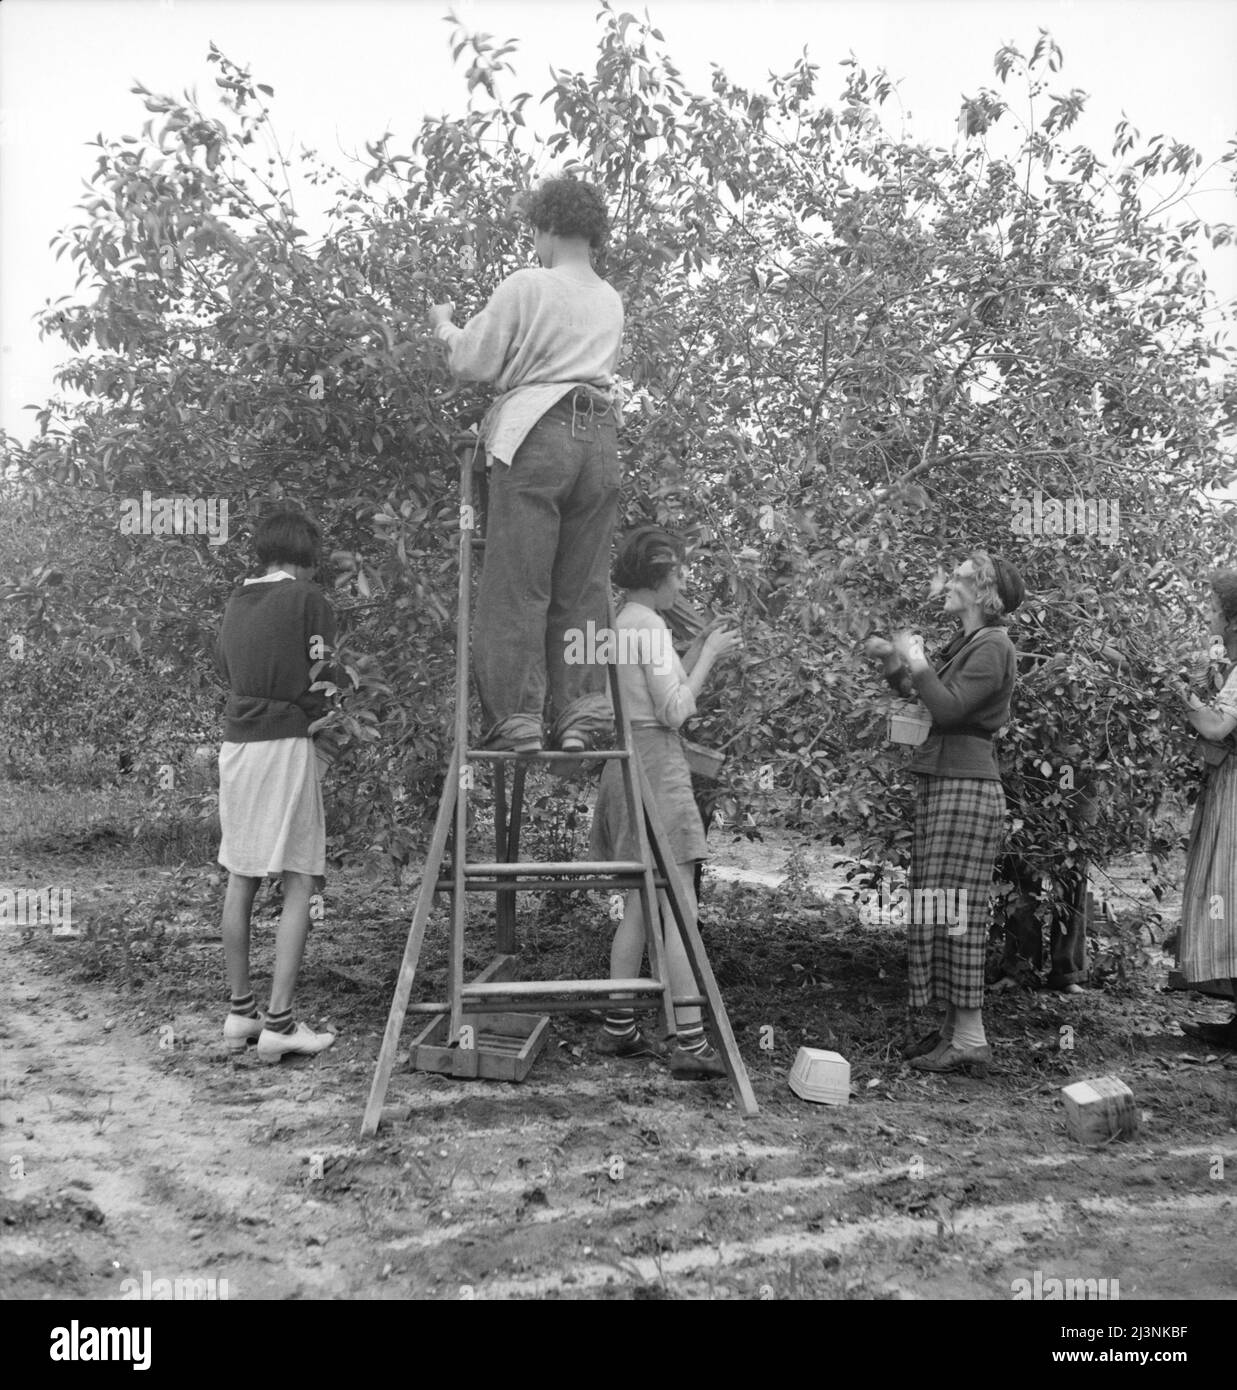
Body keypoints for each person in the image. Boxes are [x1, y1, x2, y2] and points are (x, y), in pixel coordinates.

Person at [429, 175, 623, 754]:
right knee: (583, 589)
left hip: (539, 437)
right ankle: (583, 715)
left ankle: (517, 719)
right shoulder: (609, 298)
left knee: (517, 585)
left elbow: (472, 359)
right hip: (601, 444)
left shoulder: (529, 284)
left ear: (545, 228)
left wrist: (442, 323)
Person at [588, 527, 740, 1079]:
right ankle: (690, 1041)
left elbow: (649, 679)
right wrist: (712, 658)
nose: (684, 580)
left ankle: (619, 1027)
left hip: (624, 766)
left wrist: (694, 650)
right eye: (678, 572)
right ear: (658, 575)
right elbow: (675, 709)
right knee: (680, 907)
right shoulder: (649, 627)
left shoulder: (625, 622)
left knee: (639, 905)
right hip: (656, 765)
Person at [867, 551, 1024, 1077]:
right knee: (939, 904)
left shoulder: (994, 646)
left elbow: (951, 708)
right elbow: (922, 692)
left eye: (959, 578)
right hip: (945, 782)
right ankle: (956, 1032)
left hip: (966, 787)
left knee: (955, 908)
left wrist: (917, 660)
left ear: (983, 593)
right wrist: (896, 660)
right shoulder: (969, 643)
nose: (949, 584)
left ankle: (972, 1039)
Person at [215, 507, 341, 1062]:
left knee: (241, 871)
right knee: (299, 878)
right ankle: (280, 1024)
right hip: (285, 742)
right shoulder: (309, 600)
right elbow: (326, 678)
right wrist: (327, 713)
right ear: (306, 559)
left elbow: (226, 668)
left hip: (237, 743)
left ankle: (240, 1012)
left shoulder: (237, 600)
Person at [1176, 571, 1237, 1049]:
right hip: (1226, 784)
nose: (1209, 616)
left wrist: (1180, 694)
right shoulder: (1226, 662)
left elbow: (1215, 726)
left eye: (1214, 608)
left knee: (1228, 892)